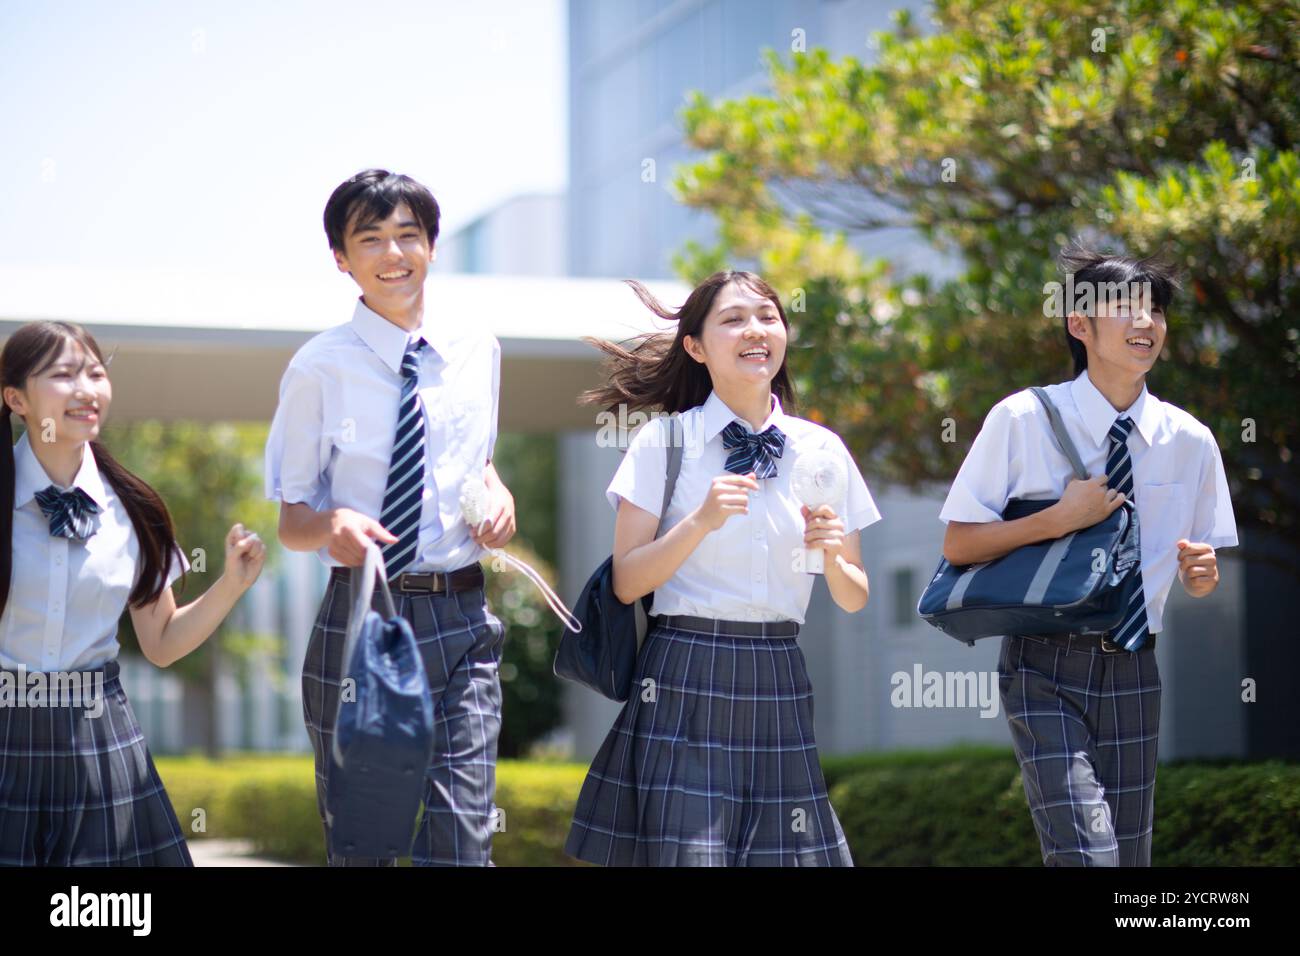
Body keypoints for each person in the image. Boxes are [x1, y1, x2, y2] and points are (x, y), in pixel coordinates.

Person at [565, 271, 881, 866]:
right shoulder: (665, 443)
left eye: (767, 316)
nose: (755, 330)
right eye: (733, 319)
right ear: (695, 346)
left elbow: (854, 596)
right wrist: (701, 521)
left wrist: (835, 552)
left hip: (780, 671)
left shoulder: (820, 449)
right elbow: (628, 581)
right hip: (684, 671)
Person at [939, 246, 1238, 866]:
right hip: (1042, 664)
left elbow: (1200, 571)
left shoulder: (1190, 440)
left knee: (1129, 860)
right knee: (1085, 851)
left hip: (1135, 666)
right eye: (1126, 308)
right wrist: (1058, 518)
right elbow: (959, 543)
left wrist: (1201, 577)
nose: (1146, 324)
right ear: (1080, 324)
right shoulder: (1021, 418)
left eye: (1156, 310)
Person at [265, 168, 518, 866]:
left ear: (433, 246)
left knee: (462, 841)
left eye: (408, 235)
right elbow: (292, 519)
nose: (393, 253)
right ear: (342, 260)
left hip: (464, 618)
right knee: (365, 841)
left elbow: (479, 464)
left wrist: (500, 498)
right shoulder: (319, 368)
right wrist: (333, 527)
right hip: (362, 618)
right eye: (370, 239)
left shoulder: (477, 349)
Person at [0, 320, 265, 866]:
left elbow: (162, 642)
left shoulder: (134, 510)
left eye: (95, 373)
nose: (86, 389)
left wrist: (232, 584)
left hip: (99, 737)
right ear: (15, 398)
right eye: (63, 374)